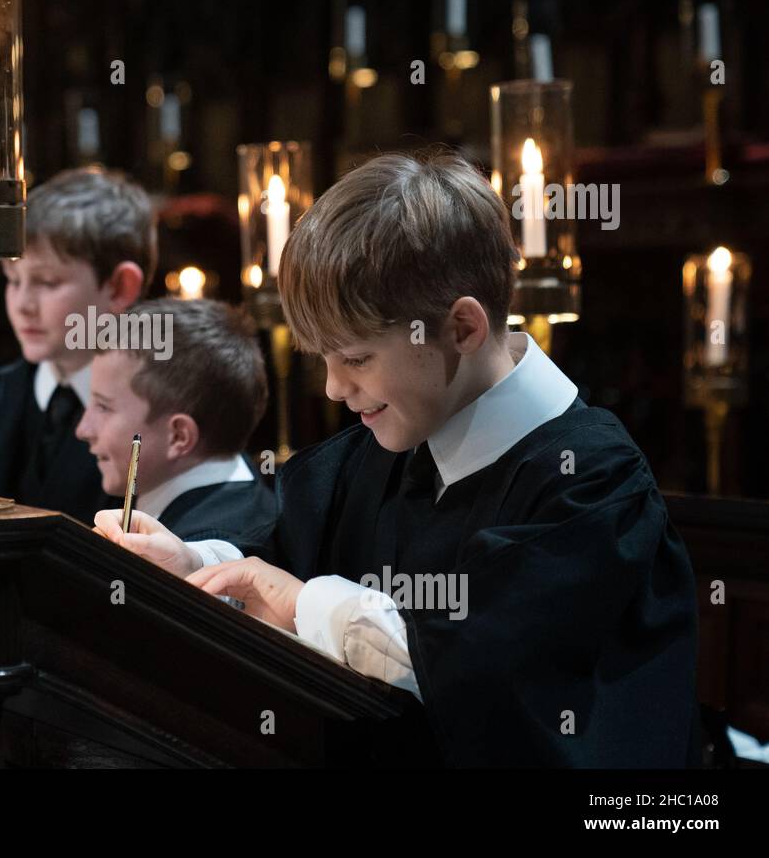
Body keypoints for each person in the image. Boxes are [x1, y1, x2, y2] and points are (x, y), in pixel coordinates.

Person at [96, 151, 698, 767]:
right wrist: (194, 563)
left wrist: (304, 602)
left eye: (355, 359)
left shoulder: (591, 483)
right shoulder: (384, 447)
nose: (332, 389)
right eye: (322, 360)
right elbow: (278, 553)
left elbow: (476, 669)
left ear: (462, 327)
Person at [0, 167, 155, 522]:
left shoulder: (150, 408)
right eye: (13, 280)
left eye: (47, 282)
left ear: (119, 287)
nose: (22, 304)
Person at [75, 298, 275, 560]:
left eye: (103, 407)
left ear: (179, 436)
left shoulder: (217, 544)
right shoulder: (148, 478)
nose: (82, 429)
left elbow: (215, 566)